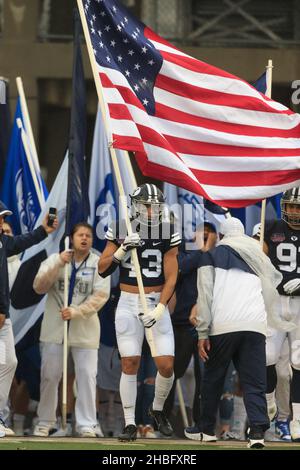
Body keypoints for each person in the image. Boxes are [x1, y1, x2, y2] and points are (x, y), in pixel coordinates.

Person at [185, 217, 284, 449]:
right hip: (255, 325)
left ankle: (207, 430)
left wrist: (202, 333)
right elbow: (270, 293)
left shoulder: (211, 256)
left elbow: (205, 297)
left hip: (223, 325)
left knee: (213, 378)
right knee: (254, 382)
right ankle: (258, 432)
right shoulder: (259, 257)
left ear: (222, 236)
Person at [98, 183, 181, 441]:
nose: (150, 211)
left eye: (155, 207)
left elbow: (172, 274)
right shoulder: (122, 227)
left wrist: (160, 307)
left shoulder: (167, 230)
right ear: (135, 207)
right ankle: (130, 423)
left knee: (166, 365)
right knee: (129, 363)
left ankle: (156, 409)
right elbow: (102, 268)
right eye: (146, 206)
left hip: (156, 300)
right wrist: (122, 250)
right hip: (128, 301)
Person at [32, 222, 110, 437]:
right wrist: (57, 263)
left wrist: (77, 311)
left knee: (86, 376)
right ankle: (45, 421)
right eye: (80, 235)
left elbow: (101, 296)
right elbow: (38, 286)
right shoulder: (56, 260)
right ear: (71, 238)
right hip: (54, 328)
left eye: (88, 235)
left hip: (85, 329)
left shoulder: (98, 264)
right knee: (50, 375)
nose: (85, 238)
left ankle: (86, 423)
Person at [0, 201, 57, 437]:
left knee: (9, 363)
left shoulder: (2, 242)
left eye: (3, 217)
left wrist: (44, 230)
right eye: (0, 217)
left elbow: (22, 242)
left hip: (4, 318)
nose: (2, 222)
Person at [164, 222, 217, 433]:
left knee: (205, 377)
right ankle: (162, 420)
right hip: (182, 324)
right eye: (201, 234)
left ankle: (201, 424)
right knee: (171, 372)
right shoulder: (185, 253)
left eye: (208, 234)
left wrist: (208, 251)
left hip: (210, 326)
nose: (204, 236)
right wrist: (201, 251)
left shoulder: (220, 256)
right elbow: (179, 267)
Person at [256, 187, 300, 442]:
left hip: (299, 305)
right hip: (274, 301)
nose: (293, 211)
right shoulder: (269, 226)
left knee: (298, 361)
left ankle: (296, 420)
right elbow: (257, 261)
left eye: (297, 207)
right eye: (290, 206)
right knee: (267, 356)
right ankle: (270, 401)